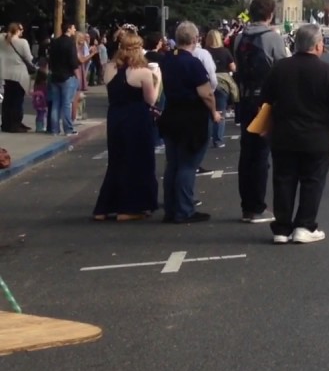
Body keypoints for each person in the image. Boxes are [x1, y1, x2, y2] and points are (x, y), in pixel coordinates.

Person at [260, 24, 329, 244]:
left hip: (283, 135)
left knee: (283, 181)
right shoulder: (327, 72)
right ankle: (304, 225)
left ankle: (281, 229)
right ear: (318, 45)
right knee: (312, 182)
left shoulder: (280, 68)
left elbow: (265, 103)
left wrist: (264, 128)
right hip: (316, 137)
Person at [92, 31, 160, 221]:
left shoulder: (109, 68)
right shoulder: (144, 72)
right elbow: (151, 99)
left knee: (117, 160)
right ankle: (131, 208)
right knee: (138, 161)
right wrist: (158, 78)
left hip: (115, 116)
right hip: (137, 118)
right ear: (138, 49)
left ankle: (104, 208)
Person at [158, 22, 222, 224]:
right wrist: (213, 112)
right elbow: (206, 93)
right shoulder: (192, 63)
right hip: (192, 116)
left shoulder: (167, 60)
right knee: (188, 164)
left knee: (173, 164)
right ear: (195, 39)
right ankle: (185, 209)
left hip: (171, 112)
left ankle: (171, 207)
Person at [234, 0, 290, 225]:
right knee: (261, 155)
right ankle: (256, 207)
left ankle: (247, 205)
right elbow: (283, 68)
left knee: (247, 153)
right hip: (265, 101)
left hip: (245, 98)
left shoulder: (239, 37)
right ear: (270, 14)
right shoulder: (272, 38)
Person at [47, 22, 81, 136]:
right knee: (66, 103)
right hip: (67, 75)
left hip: (55, 75)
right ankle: (68, 129)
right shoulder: (70, 43)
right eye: (73, 28)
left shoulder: (55, 42)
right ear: (69, 29)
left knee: (56, 103)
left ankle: (54, 129)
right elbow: (73, 61)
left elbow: (50, 59)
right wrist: (77, 75)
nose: (74, 30)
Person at [1, 23, 36, 132]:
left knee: (7, 100)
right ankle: (15, 124)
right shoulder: (23, 42)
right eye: (21, 29)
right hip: (19, 75)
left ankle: (6, 123)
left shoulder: (3, 40)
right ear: (17, 30)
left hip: (6, 73)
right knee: (17, 101)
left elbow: (3, 34)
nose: (22, 31)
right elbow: (28, 57)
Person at [206, 30, 235, 149]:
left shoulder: (205, 52)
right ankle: (218, 140)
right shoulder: (225, 52)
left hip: (207, 83)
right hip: (223, 82)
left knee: (208, 111)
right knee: (221, 110)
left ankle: (206, 138)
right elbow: (233, 68)